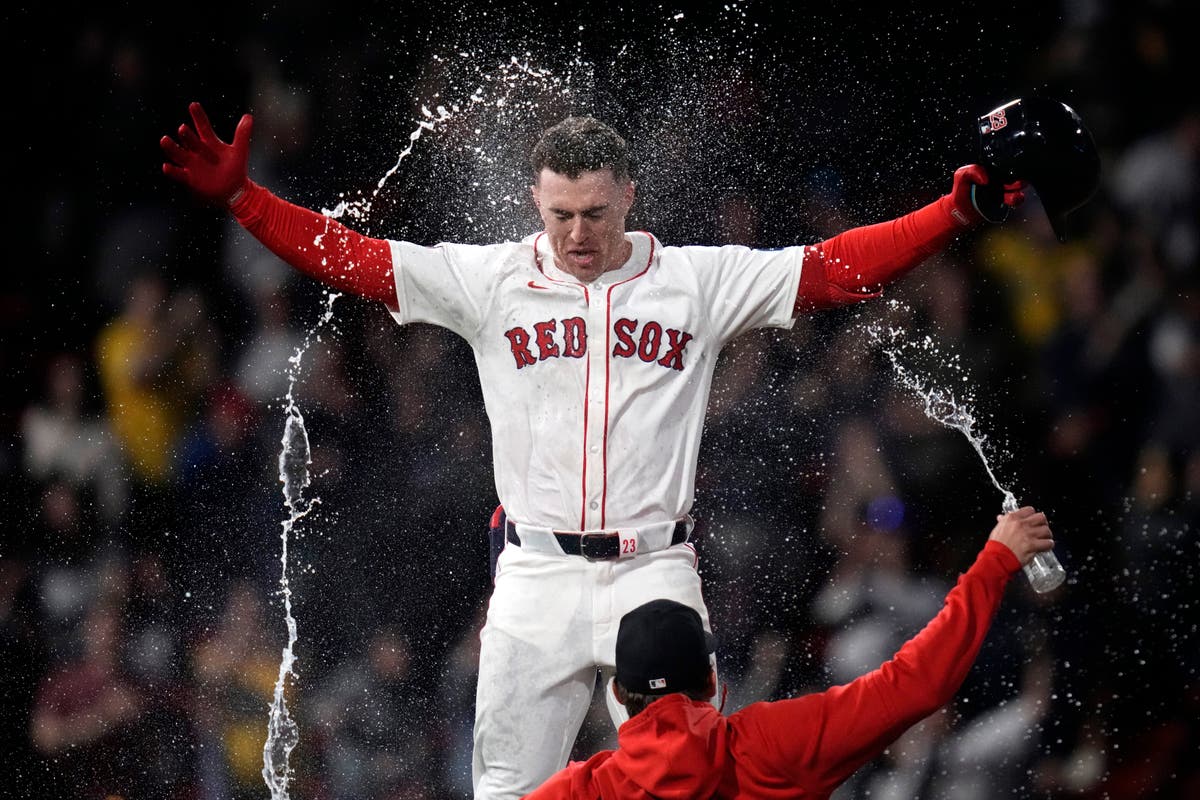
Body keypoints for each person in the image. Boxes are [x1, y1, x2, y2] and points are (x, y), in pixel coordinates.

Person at [159, 101, 1026, 799]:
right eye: (560, 213)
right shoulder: (491, 278)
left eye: (595, 213)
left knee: (697, 785)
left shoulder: (696, 279)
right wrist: (247, 202)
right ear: (537, 202)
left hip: (655, 575)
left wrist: (956, 211)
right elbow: (357, 261)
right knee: (506, 791)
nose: (576, 233)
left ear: (629, 197)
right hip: (535, 578)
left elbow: (836, 268)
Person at [524, 505, 1055, 799]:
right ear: (711, 684)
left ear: (618, 693)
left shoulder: (582, 791)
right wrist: (994, 562)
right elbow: (918, 684)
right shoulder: (770, 745)